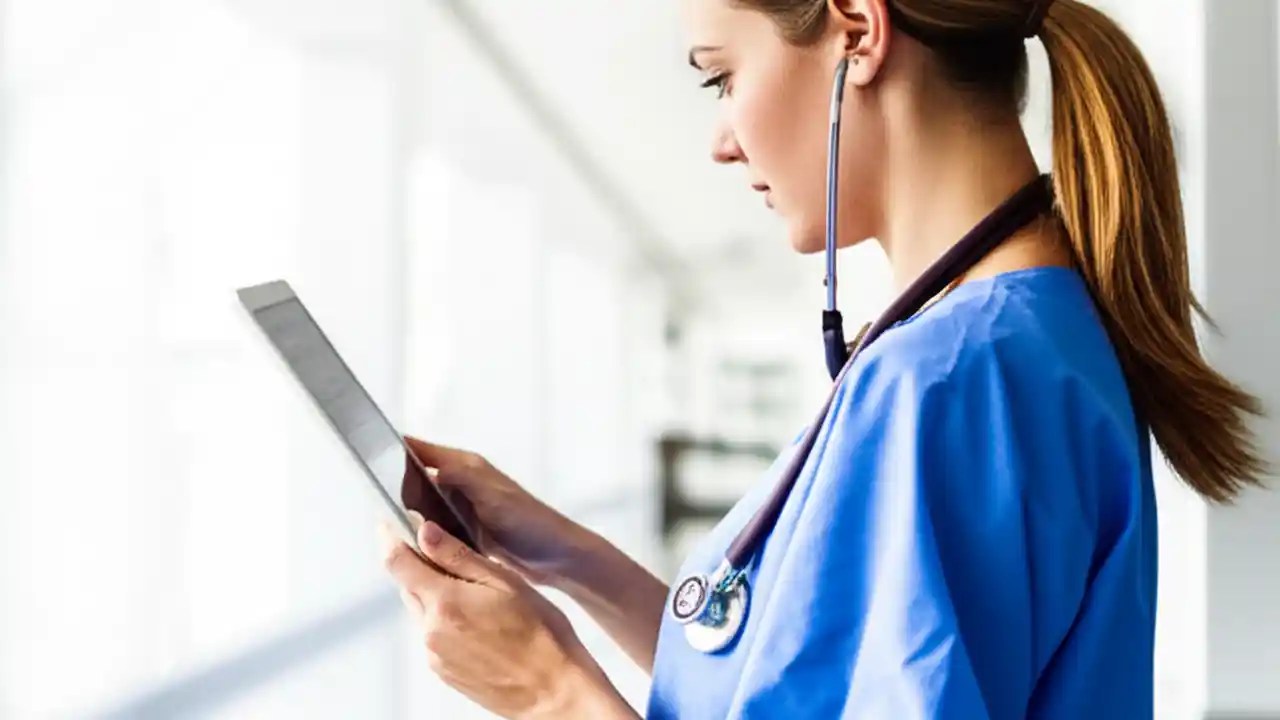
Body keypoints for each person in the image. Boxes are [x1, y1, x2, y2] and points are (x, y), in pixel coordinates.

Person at [377, 0, 1266, 717]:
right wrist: (572, 559)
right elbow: (798, 690)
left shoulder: (949, 384)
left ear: (857, 31)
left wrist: (548, 691)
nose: (722, 140)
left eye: (723, 77)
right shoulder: (1023, 337)